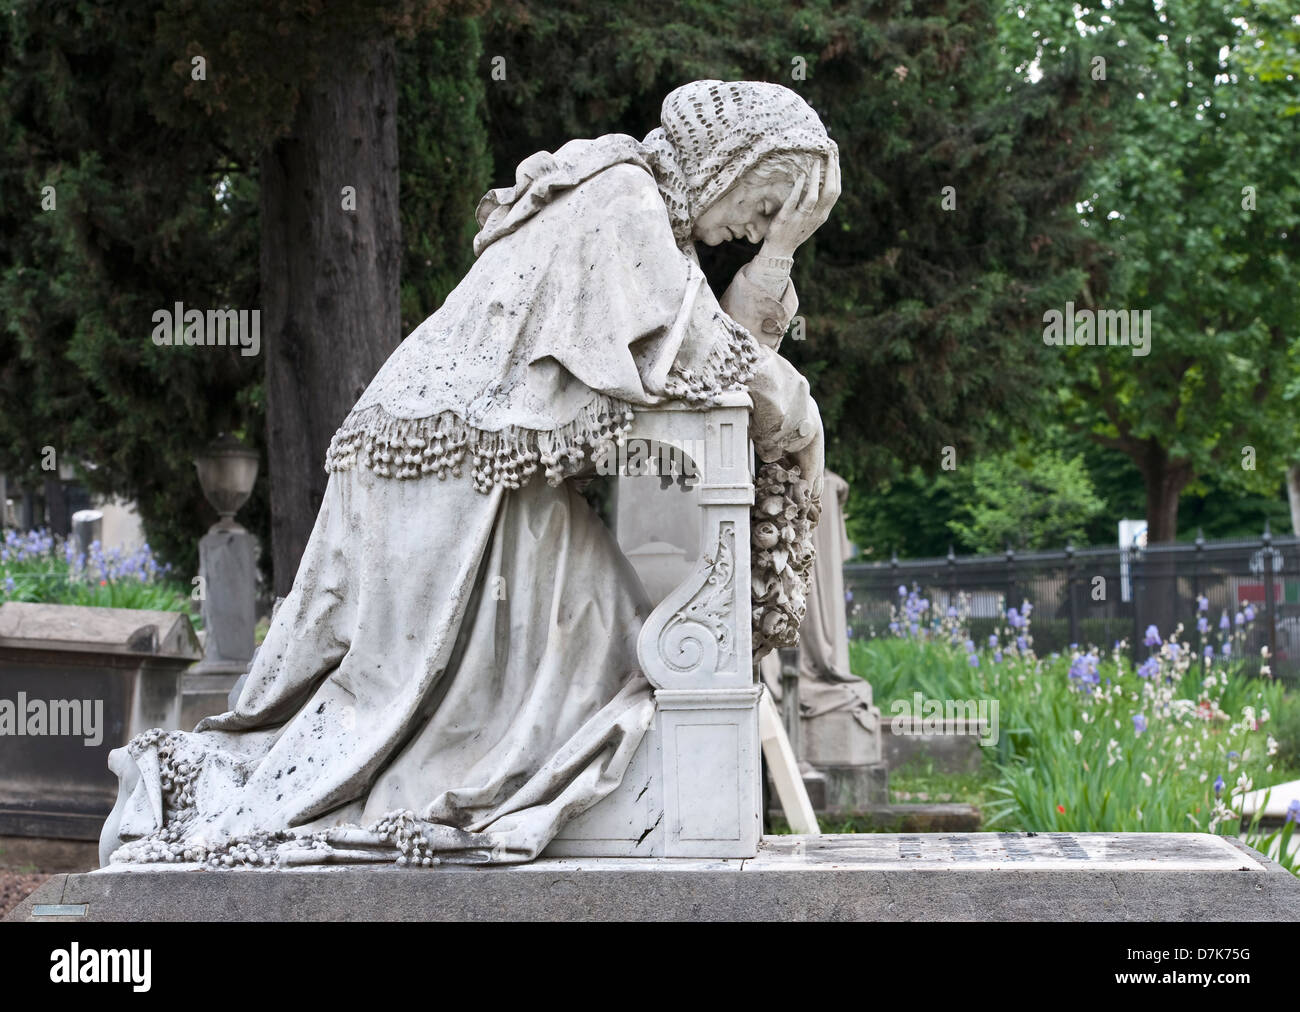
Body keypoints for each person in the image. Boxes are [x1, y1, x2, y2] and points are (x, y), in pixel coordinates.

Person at [100, 79, 840, 868]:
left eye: (769, 223)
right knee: (584, 647)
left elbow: (719, 344)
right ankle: (511, 796)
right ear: (723, 161)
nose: (754, 230)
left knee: (603, 639)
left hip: (475, 471)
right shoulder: (620, 195)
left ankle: (544, 797)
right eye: (762, 207)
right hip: (445, 468)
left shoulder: (649, 219)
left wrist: (783, 250)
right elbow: (708, 356)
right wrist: (792, 401)